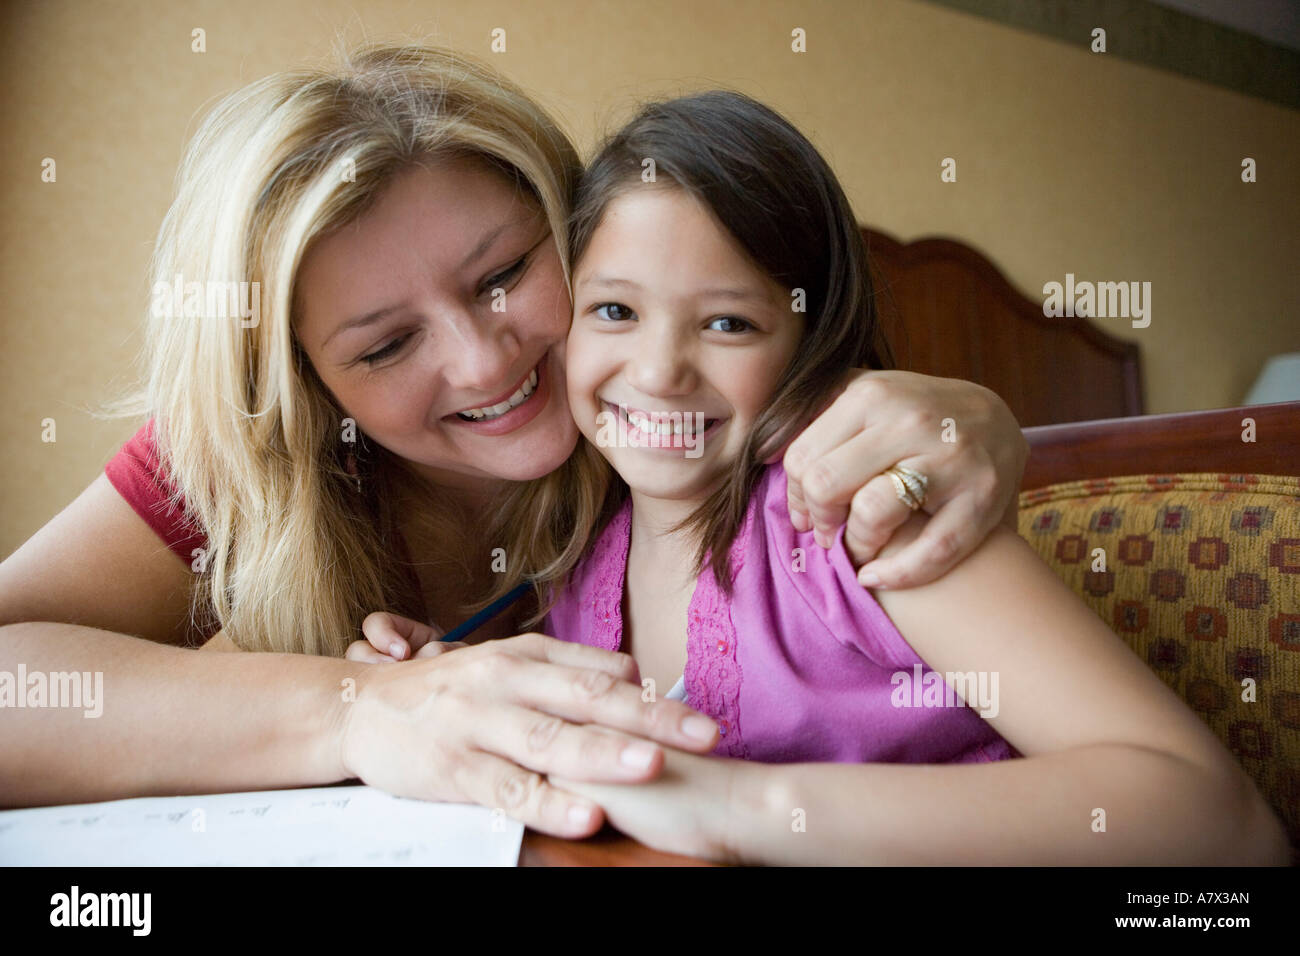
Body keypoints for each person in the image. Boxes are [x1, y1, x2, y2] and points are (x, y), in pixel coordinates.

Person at [0, 44, 1031, 841]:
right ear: (307, 386)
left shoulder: (671, 423)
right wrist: (359, 707)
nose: (486, 362)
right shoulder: (236, 452)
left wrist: (983, 419)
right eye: (388, 343)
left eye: (502, 275)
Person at [359, 90, 1289, 865]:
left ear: (813, 343)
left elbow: (1220, 824)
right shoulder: (577, 557)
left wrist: (743, 807)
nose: (659, 371)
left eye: (729, 323)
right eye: (613, 309)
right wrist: (455, 686)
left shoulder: (869, 519)